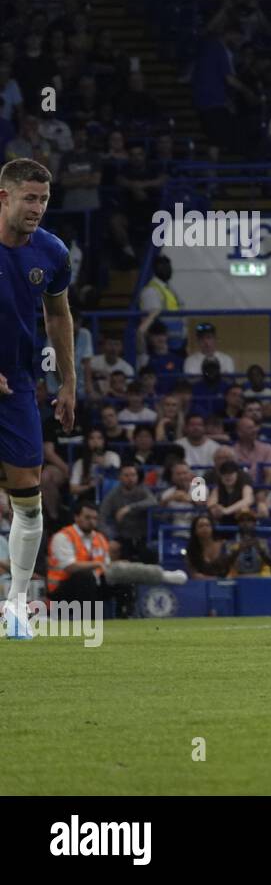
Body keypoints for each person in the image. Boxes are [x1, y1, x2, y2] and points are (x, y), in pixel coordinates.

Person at [0, 159, 76, 638]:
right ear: (4, 196)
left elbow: (59, 316)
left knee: (29, 497)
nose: (38, 208)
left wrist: (69, 381)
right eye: (29, 198)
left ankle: (14, 607)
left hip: (19, 387)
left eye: (44, 199)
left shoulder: (51, 252)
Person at [46, 501, 187, 603]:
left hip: (93, 584)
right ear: (76, 518)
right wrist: (99, 564)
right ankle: (85, 620)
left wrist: (119, 566)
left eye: (95, 518)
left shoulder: (99, 538)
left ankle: (125, 617)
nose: (92, 522)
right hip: (61, 590)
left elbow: (105, 565)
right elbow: (69, 567)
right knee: (85, 577)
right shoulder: (63, 537)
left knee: (123, 577)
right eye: (87, 517)